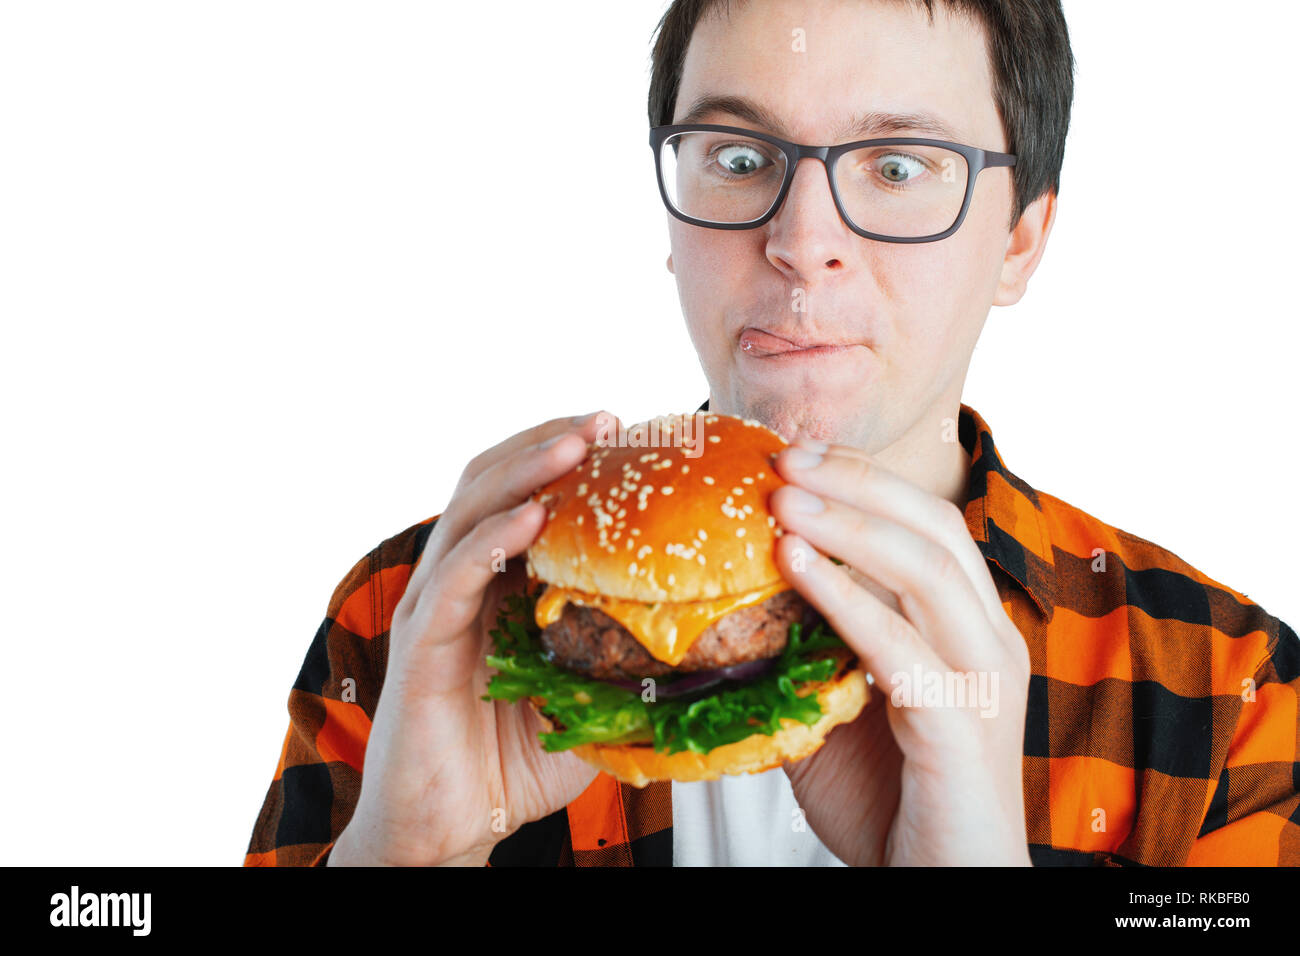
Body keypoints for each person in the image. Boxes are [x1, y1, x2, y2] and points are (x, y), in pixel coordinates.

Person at [244, 0, 1300, 866]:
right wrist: (405, 855)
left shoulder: (1228, 690)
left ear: (1020, 241)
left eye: (896, 166)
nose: (802, 242)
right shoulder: (414, 621)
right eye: (741, 158)